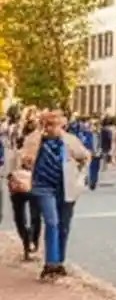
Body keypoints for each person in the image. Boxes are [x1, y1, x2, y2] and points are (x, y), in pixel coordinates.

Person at [20, 110, 91, 280]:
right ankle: (50, 263)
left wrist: (80, 174)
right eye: (47, 125)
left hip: (66, 187)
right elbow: (23, 158)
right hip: (43, 187)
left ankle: (59, 261)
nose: (51, 129)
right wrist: (27, 160)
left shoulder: (69, 141)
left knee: (63, 225)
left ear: (62, 126)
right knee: (52, 222)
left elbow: (85, 156)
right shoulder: (35, 140)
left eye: (55, 125)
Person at [8, 115, 43, 262]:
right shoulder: (41, 141)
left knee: (20, 216)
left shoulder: (19, 141)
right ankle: (32, 240)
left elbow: (10, 166)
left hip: (18, 181)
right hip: (34, 182)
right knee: (35, 215)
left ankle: (27, 240)